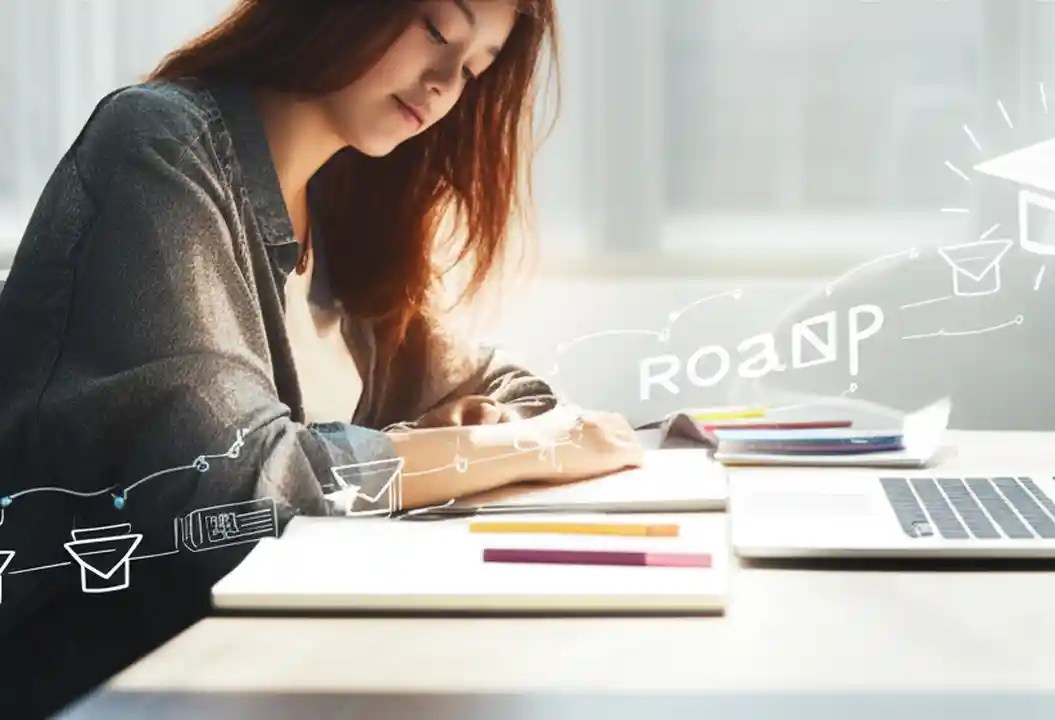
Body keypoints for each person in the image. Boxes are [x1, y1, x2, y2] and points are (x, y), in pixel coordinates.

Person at [0, 1, 641, 715]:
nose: (442, 83)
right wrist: (511, 448)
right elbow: (235, 500)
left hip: (257, 672)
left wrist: (476, 435)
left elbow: (510, 388)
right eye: (436, 30)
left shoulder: (346, 209)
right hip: (91, 686)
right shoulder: (159, 143)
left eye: (474, 68)